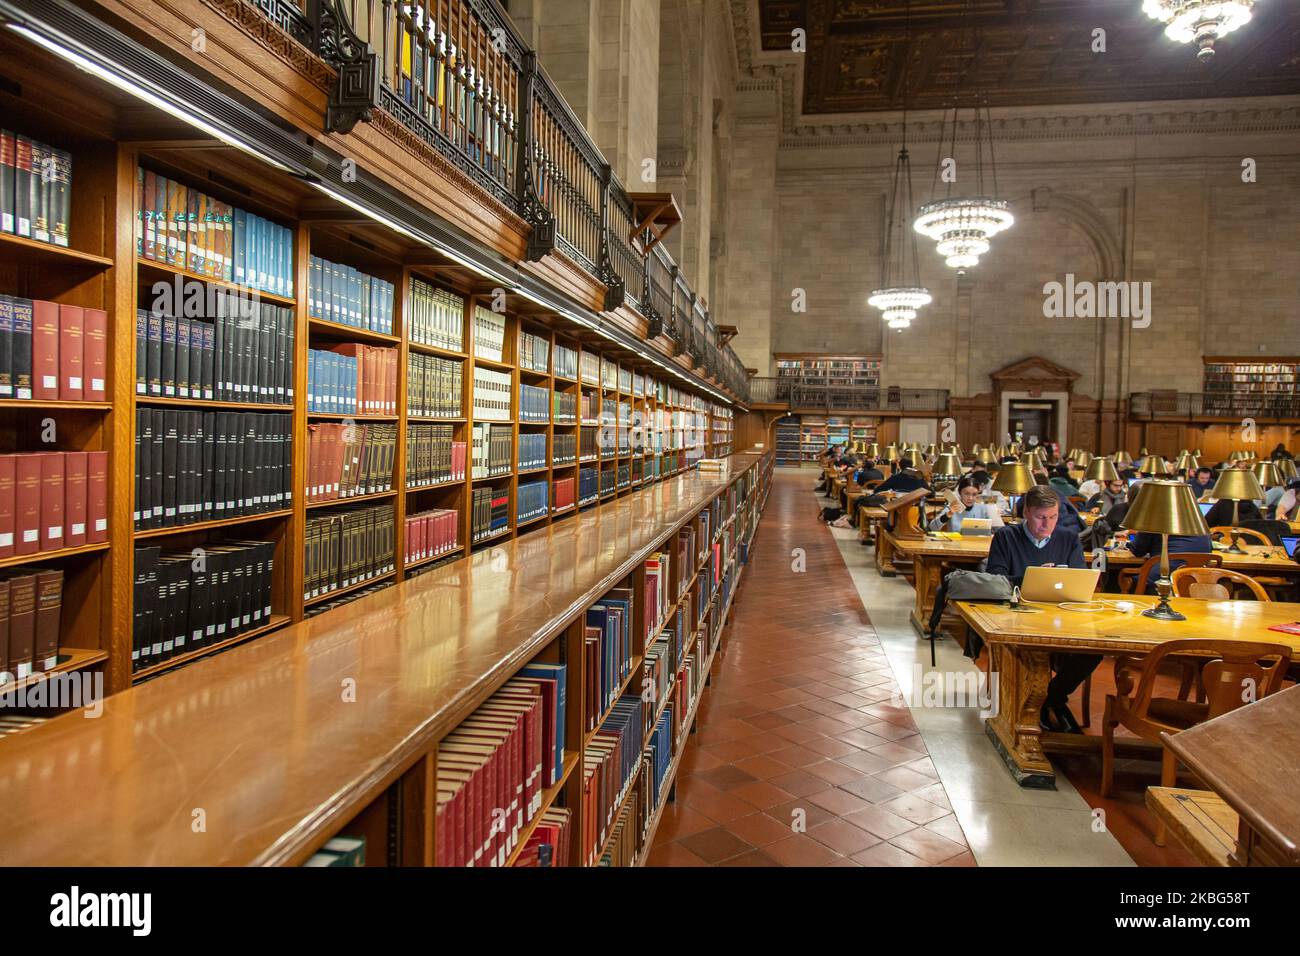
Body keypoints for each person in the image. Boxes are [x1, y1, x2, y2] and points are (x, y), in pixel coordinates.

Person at [985, 486, 1094, 733]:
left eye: (1053, 517)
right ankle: (1039, 703)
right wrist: (1031, 578)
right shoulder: (1006, 537)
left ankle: (1052, 697)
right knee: (1032, 650)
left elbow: (1079, 578)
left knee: (1093, 650)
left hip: (1062, 615)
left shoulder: (1068, 538)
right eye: (1040, 517)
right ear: (1026, 512)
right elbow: (995, 578)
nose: (1047, 525)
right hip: (1018, 616)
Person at [1126, 522, 1213, 592]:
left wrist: (1129, 544)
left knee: (1120, 579)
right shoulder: (1198, 519)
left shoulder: (1153, 516)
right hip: (1200, 582)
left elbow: (1138, 550)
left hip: (1161, 580)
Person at [929, 477, 1004, 532]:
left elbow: (996, 530)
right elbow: (932, 527)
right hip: (956, 547)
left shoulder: (983, 507)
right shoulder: (952, 507)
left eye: (974, 494)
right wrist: (948, 514)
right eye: (966, 494)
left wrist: (995, 516)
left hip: (978, 546)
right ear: (960, 493)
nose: (970, 498)